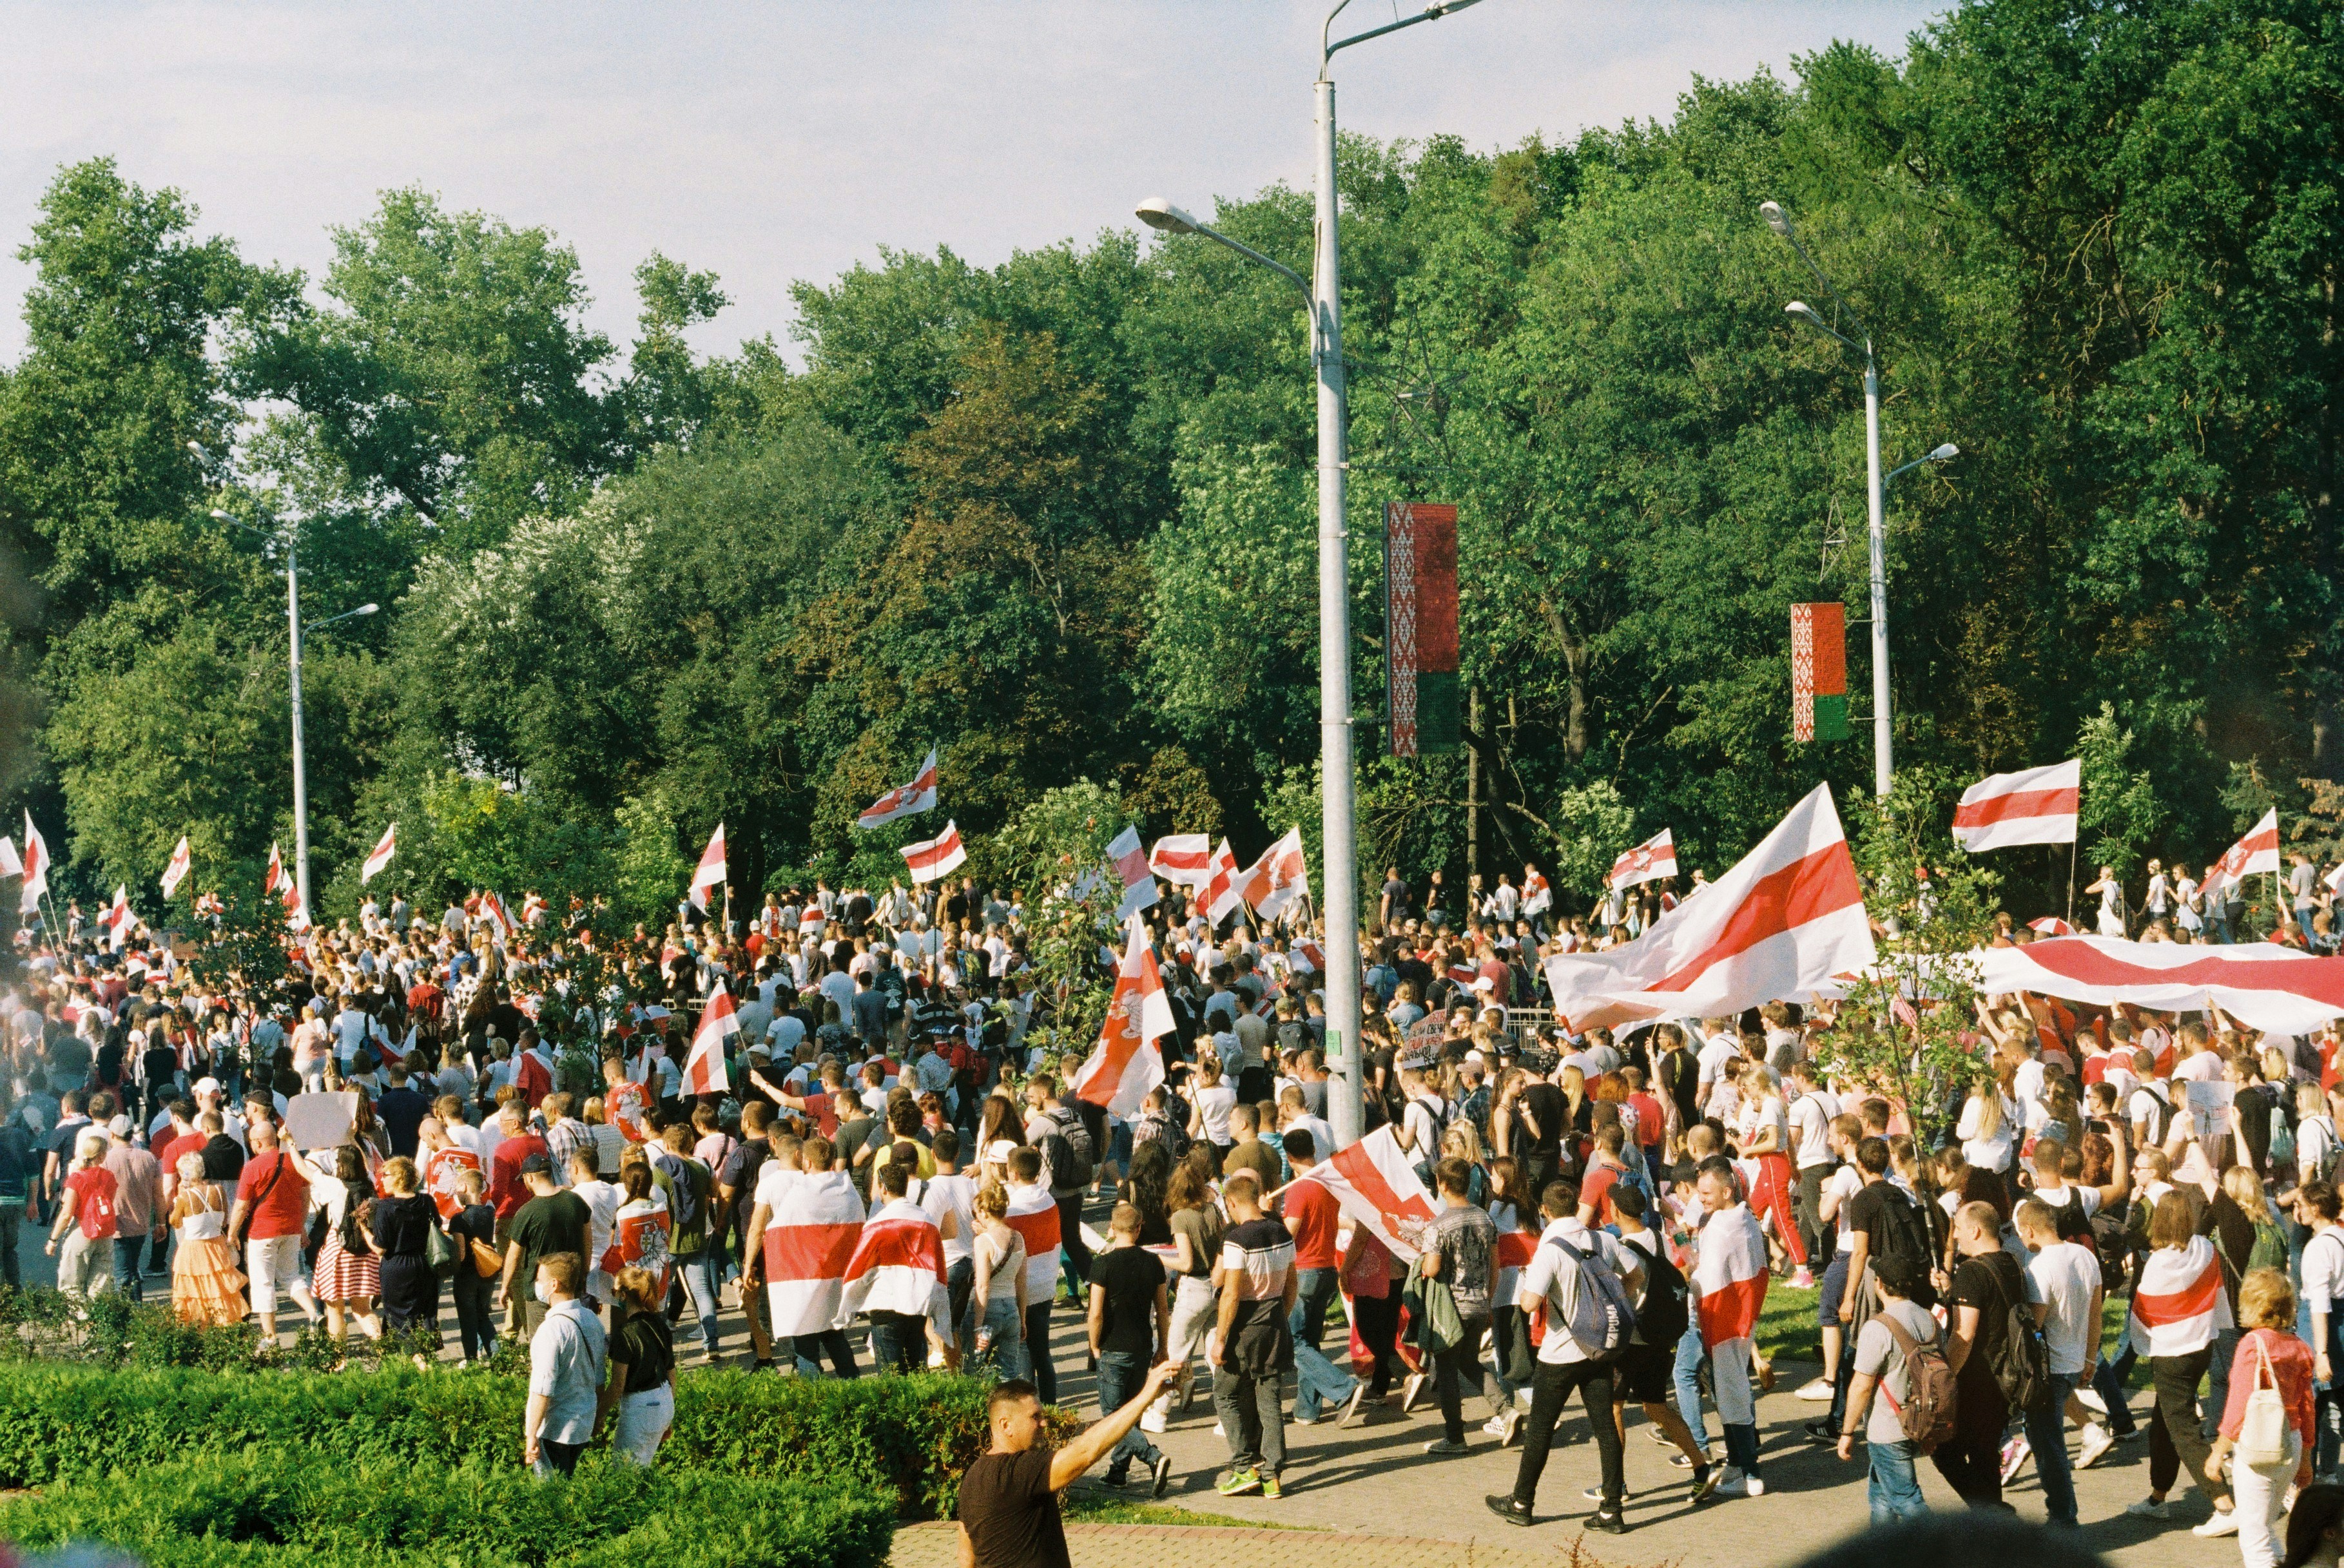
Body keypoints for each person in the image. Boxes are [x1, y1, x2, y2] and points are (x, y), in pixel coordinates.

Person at [1486, 1176, 1638, 1532]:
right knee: (1606, 1429)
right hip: (1598, 1350)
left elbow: (1528, 1304)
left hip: (1559, 1355)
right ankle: (1611, 1510)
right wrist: (1614, 1301)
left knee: (1540, 1431)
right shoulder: (1603, 1238)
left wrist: (1533, 1282)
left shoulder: (1551, 1248)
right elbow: (1636, 1274)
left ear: (1545, 1211)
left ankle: (1522, 1502)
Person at [954, 1366, 1181, 1568]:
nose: (1044, 1422)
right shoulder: (1020, 1471)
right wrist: (1145, 1397)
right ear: (1006, 1425)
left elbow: (966, 1559)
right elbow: (1085, 1452)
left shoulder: (973, 1477)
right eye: (1035, 1416)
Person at [2126, 1190, 2237, 1532]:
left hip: (2171, 1353)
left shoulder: (2159, 1262)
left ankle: (2224, 1505)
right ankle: (2158, 1497)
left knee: (2184, 1428)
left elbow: (2144, 1310)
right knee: (2165, 1422)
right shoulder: (2206, 1249)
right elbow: (2216, 1291)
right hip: (2202, 1344)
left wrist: (2145, 1342)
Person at [2207, 1268, 2315, 1568]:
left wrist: (2218, 1452)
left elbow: (2238, 1405)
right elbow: (2308, 1407)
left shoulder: (2252, 1345)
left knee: (2253, 1533)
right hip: (2291, 1442)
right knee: (2267, 1522)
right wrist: (2305, 1456)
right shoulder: (2300, 1348)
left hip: (2258, 1444)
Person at [2010, 1195, 2097, 1527]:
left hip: (2050, 1369)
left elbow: (2035, 1324)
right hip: (2076, 1360)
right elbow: (2096, 1309)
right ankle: (2063, 1514)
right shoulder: (2085, 1256)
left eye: (2020, 1232)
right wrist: (2090, 1354)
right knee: (2051, 1441)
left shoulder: (2040, 1267)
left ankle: (2062, 1517)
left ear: (2029, 1229)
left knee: (2049, 1447)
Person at [1210, 1168, 1296, 1500]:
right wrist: (1279, 1317)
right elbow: (1292, 1286)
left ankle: (1244, 1467)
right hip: (1275, 1321)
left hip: (1244, 1325)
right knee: (1269, 1398)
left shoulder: (1237, 1239)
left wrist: (1220, 1339)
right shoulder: (1283, 1232)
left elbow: (1230, 1294)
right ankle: (1272, 1475)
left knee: (1226, 1393)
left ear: (1232, 1203)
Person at [1835, 1252, 1939, 1524]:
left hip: (1888, 1428)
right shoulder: (1930, 1319)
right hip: (1921, 1420)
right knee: (1881, 1496)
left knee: (1907, 1500)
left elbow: (1861, 1387)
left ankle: (1944, 1550)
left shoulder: (1878, 1327)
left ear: (1879, 1284)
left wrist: (1847, 1432)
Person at [1086, 1203, 1172, 1495]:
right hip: (1142, 1346)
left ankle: (1153, 1457)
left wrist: (1094, 1344)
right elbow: (1162, 1310)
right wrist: (1163, 1347)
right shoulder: (1154, 1263)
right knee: (1131, 1410)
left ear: (1111, 1228)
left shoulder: (1103, 1264)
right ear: (1139, 1229)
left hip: (1113, 1346)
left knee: (1112, 1415)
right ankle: (1118, 1472)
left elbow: (1096, 1312)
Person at [1419, 1156, 1502, 1457]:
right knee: (1470, 1363)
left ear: (1442, 1185)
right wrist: (1488, 1300)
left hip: (1450, 1310)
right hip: (1479, 1303)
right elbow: (1496, 1265)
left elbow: (1431, 1267)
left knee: (1447, 1370)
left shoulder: (1439, 1225)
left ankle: (1455, 1437)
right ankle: (1505, 1410)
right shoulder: (1485, 1218)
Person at [229, 1119, 318, 1344]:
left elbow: (241, 1206)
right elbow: (305, 1195)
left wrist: (232, 1233)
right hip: (291, 1228)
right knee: (292, 1277)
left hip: (263, 1231)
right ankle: (313, 1313)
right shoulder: (292, 1162)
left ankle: (271, 1338)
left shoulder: (252, 1167)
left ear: (258, 1143)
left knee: (263, 1284)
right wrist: (300, 1225)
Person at [522, 1251, 606, 1478]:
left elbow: (543, 1390)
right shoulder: (592, 1320)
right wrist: (597, 1418)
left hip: (555, 1429)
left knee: (550, 1496)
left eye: (539, 1280)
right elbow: (600, 1379)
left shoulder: (551, 1330)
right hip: (582, 1426)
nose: (537, 1285)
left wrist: (531, 1435)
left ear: (554, 1284)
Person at [596, 1264, 675, 1466]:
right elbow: (671, 1374)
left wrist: (599, 1415)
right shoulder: (660, 1325)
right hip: (664, 1400)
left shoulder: (625, 1334)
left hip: (640, 1407)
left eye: (614, 1292)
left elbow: (617, 1385)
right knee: (644, 1466)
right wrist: (668, 1414)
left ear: (623, 1296)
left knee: (623, 1473)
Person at [503, 1152, 590, 1335]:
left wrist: (505, 1286)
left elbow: (514, 1255)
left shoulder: (527, 1212)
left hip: (540, 1288)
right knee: (572, 1335)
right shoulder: (575, 1201)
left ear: (529, 1177)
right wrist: (584, 1272)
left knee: (542, 1342)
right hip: (570, 1282)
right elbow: (587, 1240)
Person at [167, 1151, 245, 1326]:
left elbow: (175, 1223)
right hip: (217, 1246)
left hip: (193, 1249)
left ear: (185, 1174)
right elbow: (224, 1219)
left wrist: (177, 1200)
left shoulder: (184, 1197)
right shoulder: (218, 1190)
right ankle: (226, 1326)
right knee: (220, 1290)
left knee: (193, 1291)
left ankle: (200, 1326)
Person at [44, 1128, 115, 1302]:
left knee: (71, 1285)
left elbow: (67, 1214)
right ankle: (98, 1321)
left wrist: (53, 1239)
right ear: (102, 1156)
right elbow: (108, 1202)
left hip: (81, 1231)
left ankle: (82, 1319)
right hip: (104, 1232)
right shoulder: (109, 1177)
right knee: (100, 1287)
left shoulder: (76, 1179)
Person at [969, 1181, 1031, 1380]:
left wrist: (977, 1326)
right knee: (1009, 1372)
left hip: (988, 1313)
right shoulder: (1018, 1238)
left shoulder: (983, 1242)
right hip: (1011, 1310)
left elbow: (983, 1286)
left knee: (975, 1369)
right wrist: (1022, 1319)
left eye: (976, 1212)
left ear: (984, 1212)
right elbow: (1021, 1283)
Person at [449, 1166, 499, 1363]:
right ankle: (498, 1356)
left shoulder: (459, 1219)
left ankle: (471, 1360)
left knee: (468, 1320)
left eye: (456, 1187)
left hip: (467, 1276)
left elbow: (460, 1254)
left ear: (464, 1187)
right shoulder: (489, 1213)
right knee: (483, 1316)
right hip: (486, 1274)